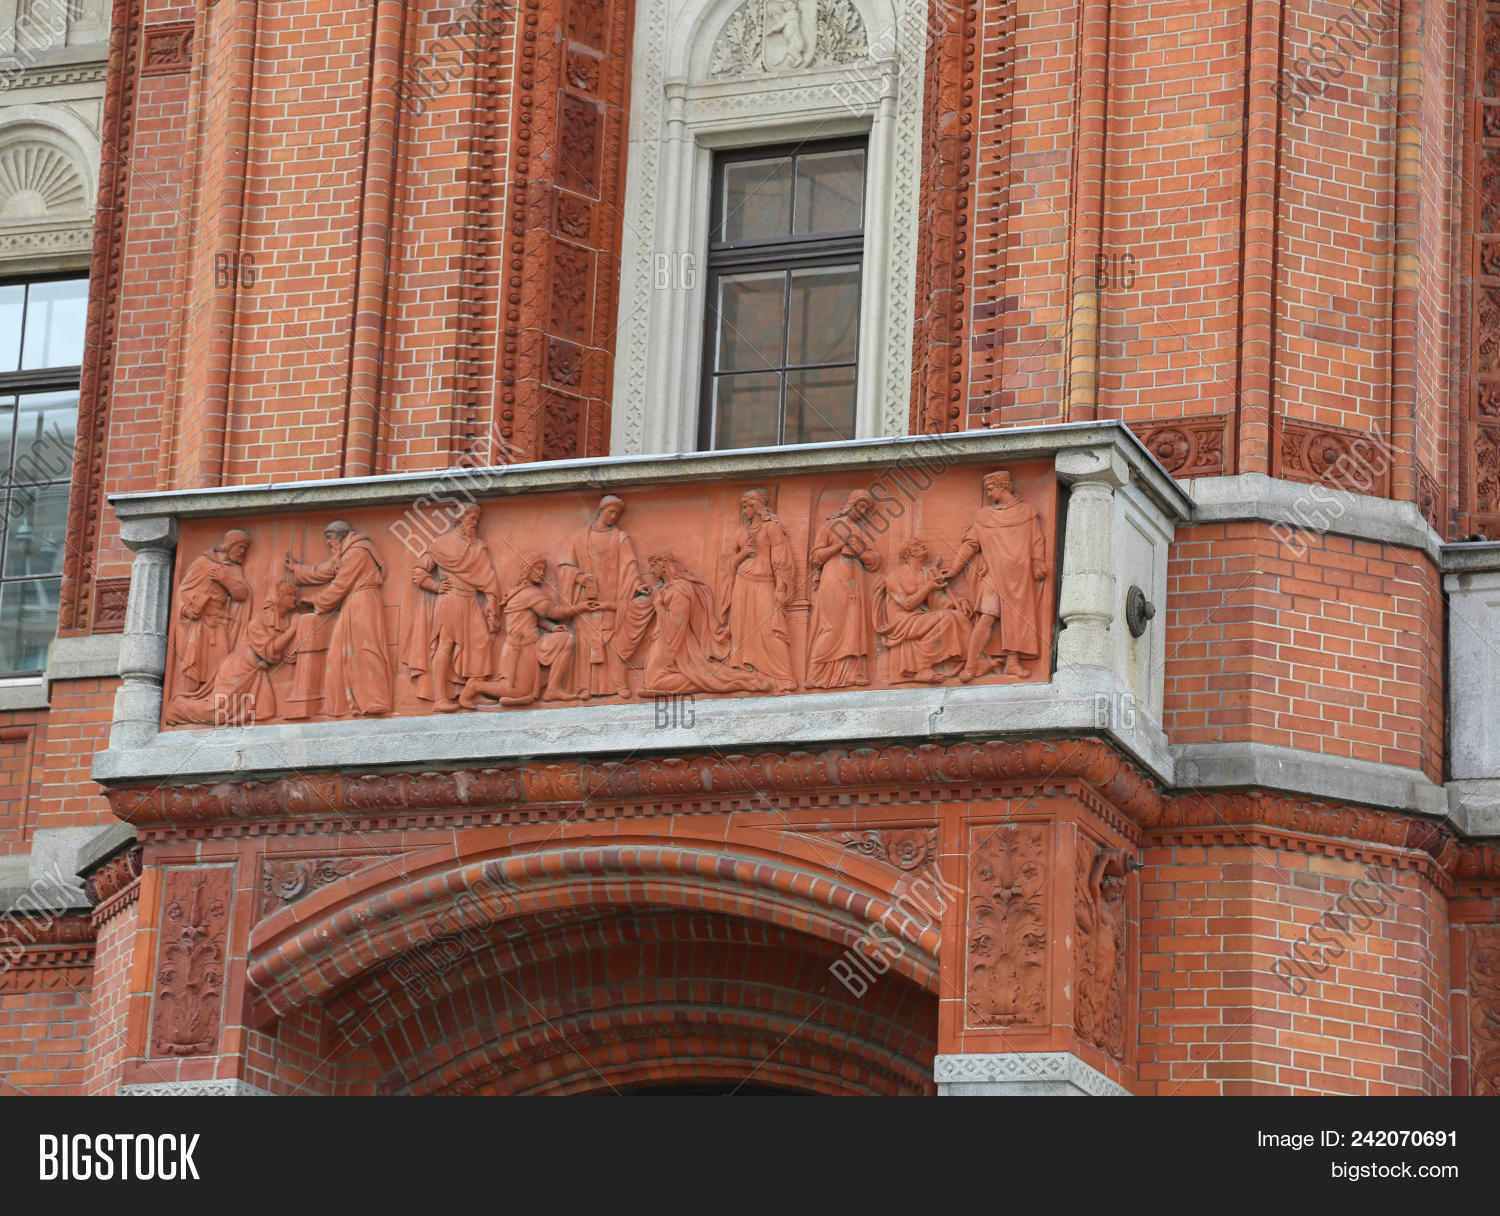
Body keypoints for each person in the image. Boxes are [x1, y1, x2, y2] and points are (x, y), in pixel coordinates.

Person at [942, 471, 1048, 680]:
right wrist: (954, 569)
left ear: (1003, 486)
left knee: (1017, 619)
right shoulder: (984, 517)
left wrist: (1038, 563)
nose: (989, 494)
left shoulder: (1026, 512)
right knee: (986, 617)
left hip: (1019, 577)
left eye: (991, 489)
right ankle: (971, 665)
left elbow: (1037, 541)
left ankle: (1012, 663)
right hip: (993, 575)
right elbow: (970, 545)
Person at [400, 504, 505, 712]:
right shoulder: (442, 544)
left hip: (471, 600)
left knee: (482, 642)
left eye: (477, 519)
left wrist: (492, 600)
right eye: (471, 518)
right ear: (460, 519)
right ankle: (440, 698)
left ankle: (470, 693)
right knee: (446, 645)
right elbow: (419, 571)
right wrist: (436, 586)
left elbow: (488, 578)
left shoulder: (479, 547)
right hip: (450, 599)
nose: (474, 523)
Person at [285, 521, 393, 716]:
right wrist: (297, 569)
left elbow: (341, 585)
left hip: (363, 603)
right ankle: (341, 705)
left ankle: (375, 701)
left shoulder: (357, 552)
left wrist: (315, 601)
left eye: (329, 538)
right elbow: (327, 570)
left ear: (340, 536)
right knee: (338, 653)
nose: (328, 543)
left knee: (365, 649)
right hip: (352, 603)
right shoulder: (346, 553)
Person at [460, 554, 594, 708]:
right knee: (516, 691)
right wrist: (580, 607)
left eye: (543, 570)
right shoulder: (528, 593)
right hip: (520, 648)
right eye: (538, 569)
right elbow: (553, 612)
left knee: (566, 639)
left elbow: (534, 617)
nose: (541, 573)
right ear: (527, 570)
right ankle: (475, 686)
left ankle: (553, 689)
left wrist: (552, 628)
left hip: (531, 644)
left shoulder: (521, 592)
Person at [556, 495, 654, 699]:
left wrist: (637, 585)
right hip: (586, 598)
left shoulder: (620, 537)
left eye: (617, 514)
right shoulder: (578, 537)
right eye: (611, 512)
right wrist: (579, 578)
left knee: (612, 641)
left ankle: (619, 685)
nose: (613, 517)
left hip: (612, 595)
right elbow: (565, 566)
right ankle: (584, 687)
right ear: (600, 511)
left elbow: (630, 566)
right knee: (585, 643)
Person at [165, 582, 301, 726]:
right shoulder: (258, 621)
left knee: (265, 711)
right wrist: (292, 629)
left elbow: (278, 651)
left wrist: (289, 652)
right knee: (217, 714)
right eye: (289, 594)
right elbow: (270, 649)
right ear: (277, 598)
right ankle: (177, 708)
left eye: (294, 595)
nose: (294, 598)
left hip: (256, 673)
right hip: (237, 671)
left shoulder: (284, 622)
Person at [640, 552, 768, 695]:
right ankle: (705, 680)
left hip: (676, 643)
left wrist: (659, 606)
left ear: (663, 566)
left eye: (653, 566)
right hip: (664, 640)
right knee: (651, 682)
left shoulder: (680, 589)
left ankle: (709, 681)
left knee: (654, 682)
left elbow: (678, 624)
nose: (651, 571)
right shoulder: (669, 588)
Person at [714, 488, 797, 693]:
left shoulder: (771, 528)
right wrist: (743, 554)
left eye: (746, 507)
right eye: (742, 507)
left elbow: (782, 560)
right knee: (742, 631)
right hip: (742, 585)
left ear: (757, 506)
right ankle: (749, 675)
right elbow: (726, 562)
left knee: (770, 630)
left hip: (764, 584)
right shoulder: (740, 533)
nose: (743, 512)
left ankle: (783, 677)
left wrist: (780, 587)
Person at [806, 491, 881, 688]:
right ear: (850, 504)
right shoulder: (830, 525)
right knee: (831, 626)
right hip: (833, 579)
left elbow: (875, 560)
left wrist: (861, 553)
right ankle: (815, 674)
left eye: (866, 509)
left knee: (854, 625)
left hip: (855, 583)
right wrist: (838, 546)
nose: (863, 512)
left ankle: (852, 673)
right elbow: (815, 557)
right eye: (861, 506)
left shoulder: (860, 531)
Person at [873, 539, 970, 683]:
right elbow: (907, 604)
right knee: (946, 618)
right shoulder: (894, 577)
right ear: (909, 553)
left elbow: (937, 601)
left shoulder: (927, 573)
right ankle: (922, 667)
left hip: (922, 617)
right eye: (917, 545)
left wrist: (959, 602)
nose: (923, 545)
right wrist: (928, 587)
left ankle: (971, 662)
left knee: (959, 616)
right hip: (902, 620)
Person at [175, 530, 251, 692]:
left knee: (221, 665)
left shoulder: (234, 568)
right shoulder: (204, 562)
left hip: (217, 624)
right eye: (240, 547)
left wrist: (225, 579)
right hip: (198, 623)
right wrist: (187, 610)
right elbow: (183, 591)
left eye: (245, 548)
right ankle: (190, 697)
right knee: (194, 665)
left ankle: (210, 699)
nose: (243, 551)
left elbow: (242, 594)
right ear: (229, 546)